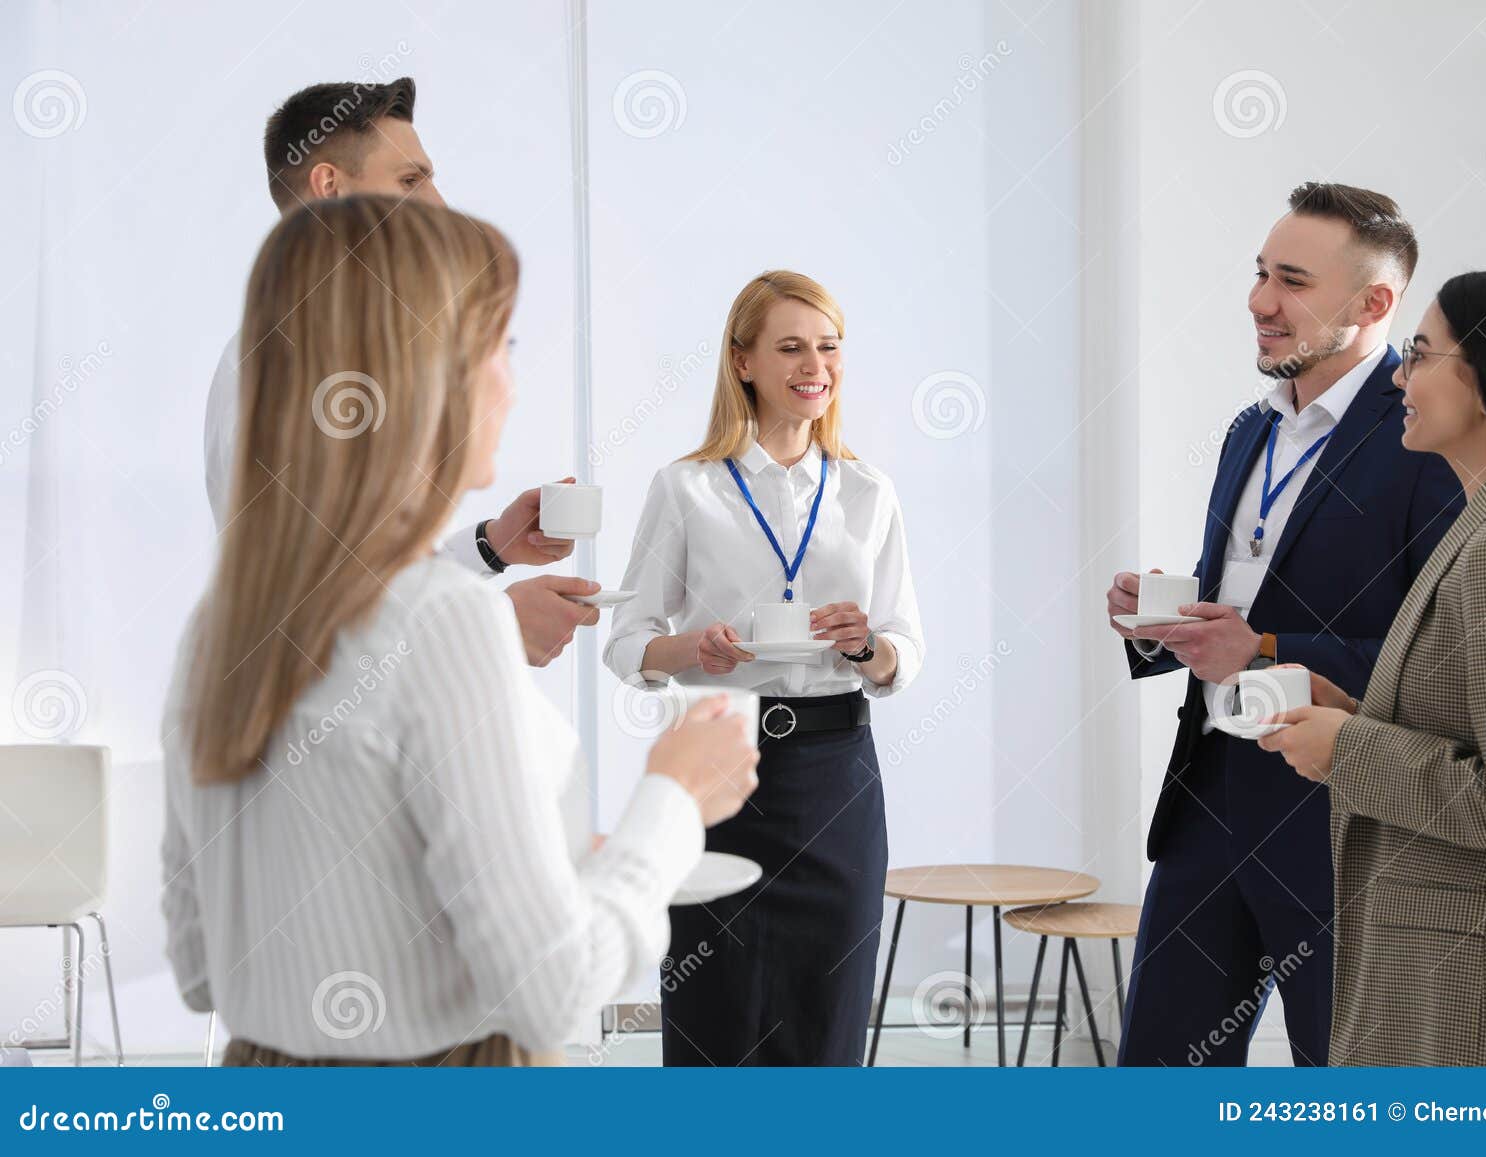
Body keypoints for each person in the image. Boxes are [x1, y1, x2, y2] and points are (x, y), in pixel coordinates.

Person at [162, 196, 759, 1065]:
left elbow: (199, 970)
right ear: (430, 377)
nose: (512, 383)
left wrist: (532, 855)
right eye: (502, 348)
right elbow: (555, 993)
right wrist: (673, 799)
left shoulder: (216, 625)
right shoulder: (445, 621)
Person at [1104, 183, 1464, 1066]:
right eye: (1261, 273)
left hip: (1340, 818)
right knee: (1157, 1075)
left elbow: (1441, 661)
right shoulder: (1247, 431)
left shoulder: (1423, 440)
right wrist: (1166, 624)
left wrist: (1265, 650)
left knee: (1345, 1084)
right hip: (1208, 800)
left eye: (1293, 280)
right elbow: (1246, 610)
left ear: (1374, 303)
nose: (1261, 301)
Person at [1260, 268, 1486, 1065]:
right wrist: (1351, 705)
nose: (1401, 378)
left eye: (1420, 354)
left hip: (1478, 992)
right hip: (1451, 970)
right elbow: (1483, 729)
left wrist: (1347, 748)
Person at [603, 271, 924, 1065]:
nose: (815, 364)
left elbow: (904, 650)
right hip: (722, 774)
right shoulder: (685, 487)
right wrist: (694, 650)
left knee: (826, 1023)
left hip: (836, 783)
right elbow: (627, 640)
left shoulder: (868, 491)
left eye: (828, 346)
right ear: (742, 360)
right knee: (715, 1023)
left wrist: (866, 646)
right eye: (790, 346)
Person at [204, 77, 597, 666]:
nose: (437, 205)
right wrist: (497, 627)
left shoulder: (314, 344)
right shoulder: (304, 359)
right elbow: (310, 610)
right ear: (331, 187)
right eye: (411, 180)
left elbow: (360, 570)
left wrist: (491, 547)